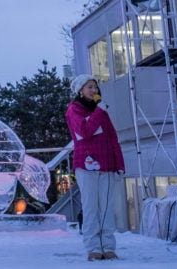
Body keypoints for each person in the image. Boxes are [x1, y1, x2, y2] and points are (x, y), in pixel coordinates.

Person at [66, 74, 125, 261]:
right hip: (86, 164)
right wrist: (98, 112)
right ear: (80, 90)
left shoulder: (102, 112)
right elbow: (84, 131)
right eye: (89, 87)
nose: (94, 90)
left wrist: (119, 164)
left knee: (107, 208)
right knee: (91, 207)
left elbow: (112, 138)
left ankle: (108, 246)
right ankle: (93, 247)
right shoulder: (74, 110)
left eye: (95, 87)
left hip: (107, 165)